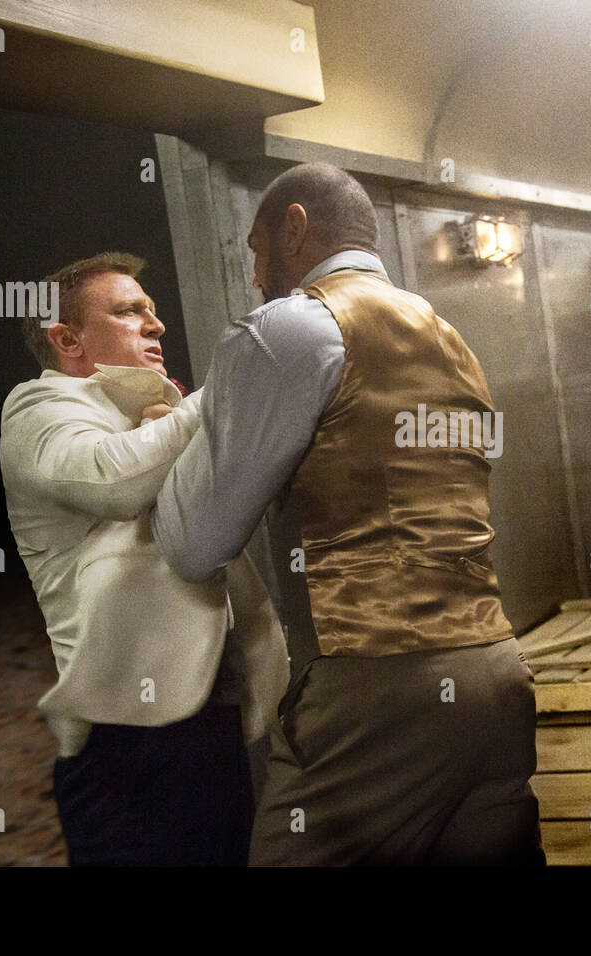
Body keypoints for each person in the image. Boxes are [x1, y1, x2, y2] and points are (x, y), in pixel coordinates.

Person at [151, 162, 545, 866]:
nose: (254, 273)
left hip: (375, 691)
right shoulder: (450, 340)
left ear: (295, 227)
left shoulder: (288, 331)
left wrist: (197, 419)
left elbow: (193, 543)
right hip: (495, 672)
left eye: (256, 249)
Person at [0, 251, 288, 866]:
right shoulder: (38, 409)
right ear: (67, 337)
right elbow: (113, 479)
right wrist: (230, 386)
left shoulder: (154, 416)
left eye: (152, 311)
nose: (155, 325)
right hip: (124, 746)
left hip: (204, 725)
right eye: (129, 312)